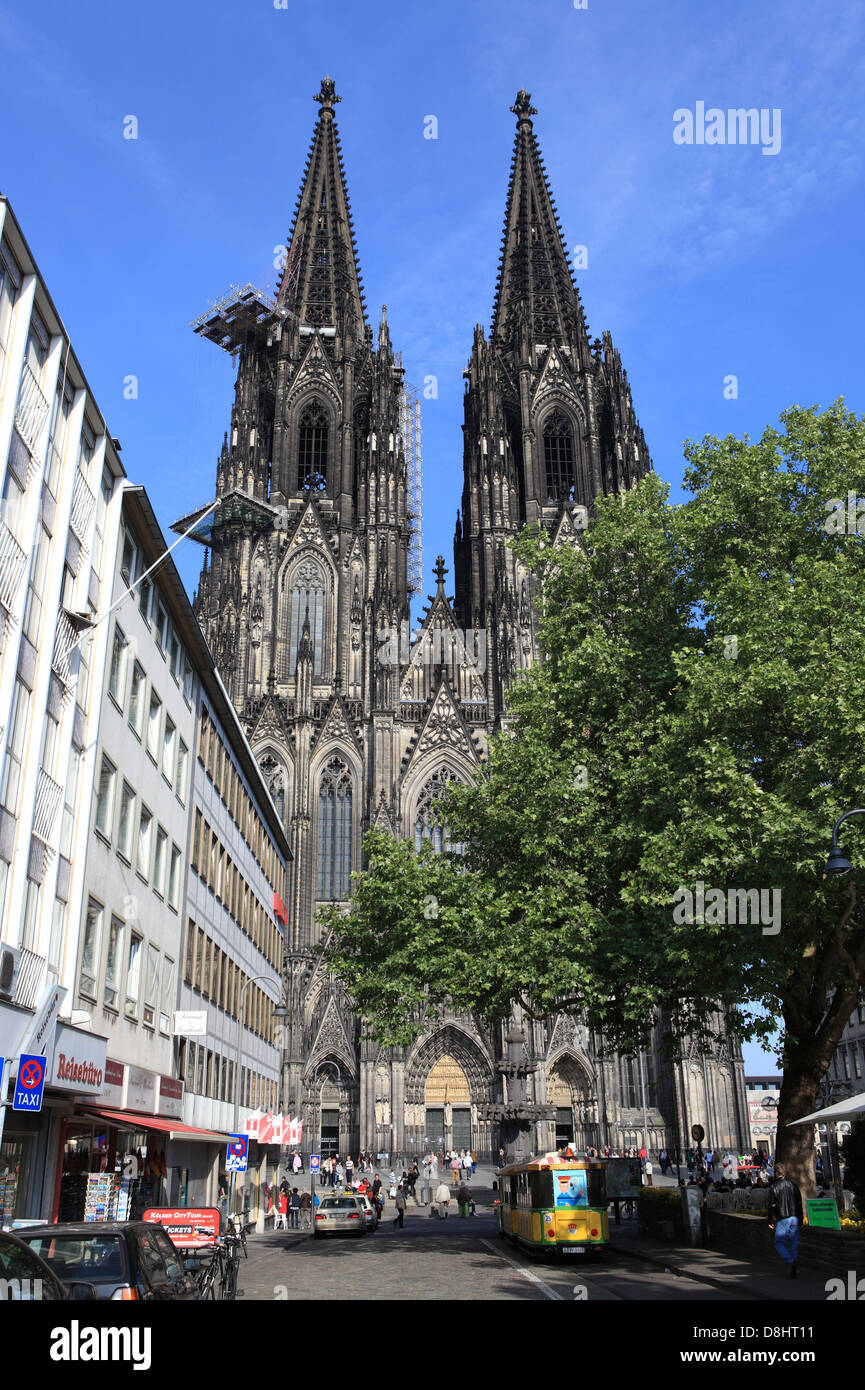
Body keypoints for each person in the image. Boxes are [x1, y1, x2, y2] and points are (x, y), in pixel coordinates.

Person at [767, 1164, 803, 1278]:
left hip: (782, 1217)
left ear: (776, 1173)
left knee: (779, 1242)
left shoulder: (774, 1186)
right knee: (793, 1243)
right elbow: (799, 1202)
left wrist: (770, 1220)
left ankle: (789, 1260)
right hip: (794, 1217)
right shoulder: (792, 1185)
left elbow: (772, 1205)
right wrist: (800, 1218)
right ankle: (794, 1264)